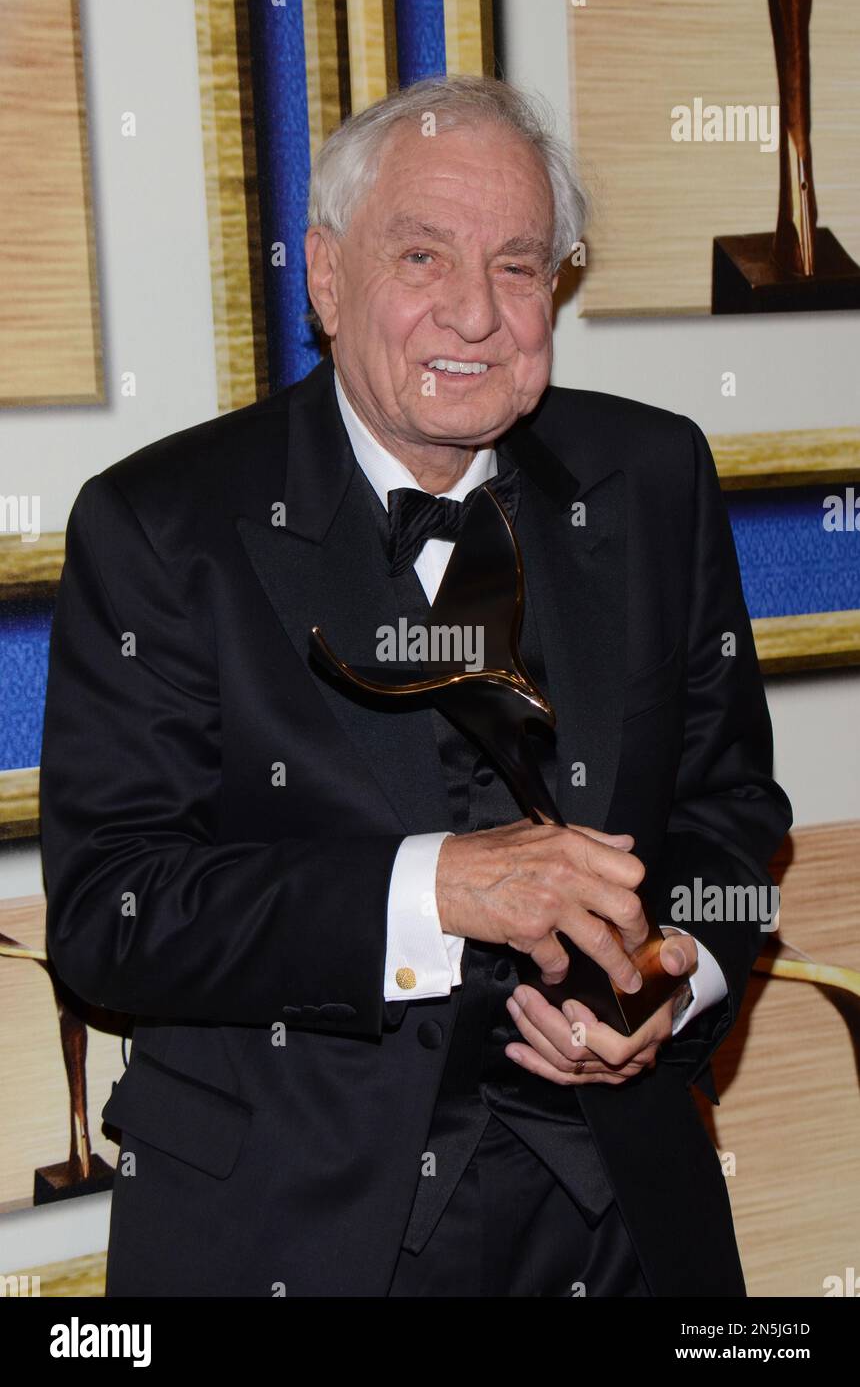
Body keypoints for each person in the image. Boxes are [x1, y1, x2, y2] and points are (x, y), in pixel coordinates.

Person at [40, 75, 792, 1298]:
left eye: (515, 266)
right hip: (290, 1228)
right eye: (423, 256)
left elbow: (732, 807)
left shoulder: (653, 475)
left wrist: (677, 974)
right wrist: (434, 889)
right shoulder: (160, 524)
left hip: (622, 1229)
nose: (476, 314)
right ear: (326, 281)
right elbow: (114, 913)